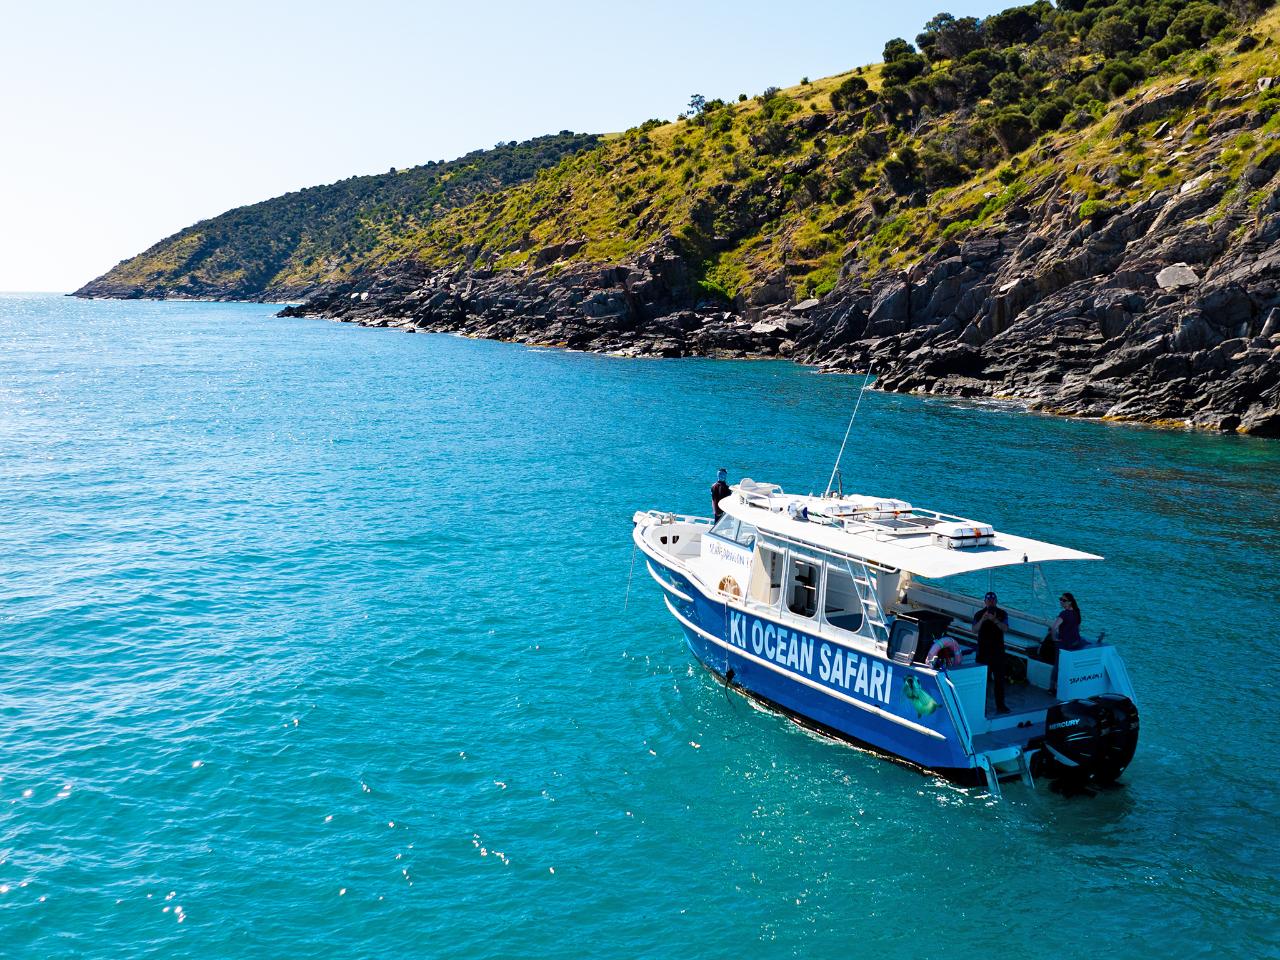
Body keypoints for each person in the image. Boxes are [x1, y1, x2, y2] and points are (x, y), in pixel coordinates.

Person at [972, 591, 1010, 714]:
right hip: (983, 654)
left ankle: (1001, 706)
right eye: (988, 600)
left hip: (998, 653)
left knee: (999, 681)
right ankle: (980, 706)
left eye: (993, 600)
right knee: (983, 682)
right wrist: (983, 619)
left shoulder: (1002, 614)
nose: (991, 602)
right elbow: (974, 630)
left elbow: (1005, 628)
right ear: (985, 602)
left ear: (996, 601)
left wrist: (995, 620)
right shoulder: (979, 614)